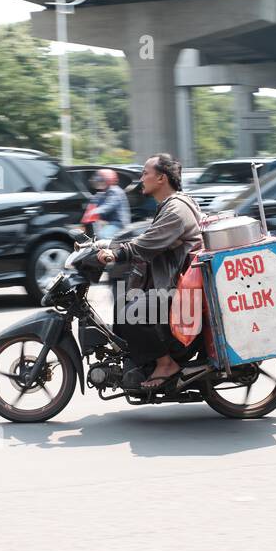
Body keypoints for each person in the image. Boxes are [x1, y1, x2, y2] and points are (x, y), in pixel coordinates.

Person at [97, 153, 203, 390]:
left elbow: (147, 243)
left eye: (145, 173)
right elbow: (146, 237)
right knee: (123, 301)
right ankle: (139, 363)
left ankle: (165, 364)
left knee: (132, 314)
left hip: (178, 289)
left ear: (161, 178)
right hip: (173, 283)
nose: (141, 178)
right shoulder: (170, 205)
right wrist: (107, 244)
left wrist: (116, 253)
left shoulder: (176, 210)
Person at [90, 168, 130, 239]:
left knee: (103, 235)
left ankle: (110, 249)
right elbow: (96, 203)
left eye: (101, 180)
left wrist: (96, 211)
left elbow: (110, 205)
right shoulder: (104, 192)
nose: (98, 182)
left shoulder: (115, 191)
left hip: (118, 223)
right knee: (96, 234)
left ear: (107, 180)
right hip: (109, 222)